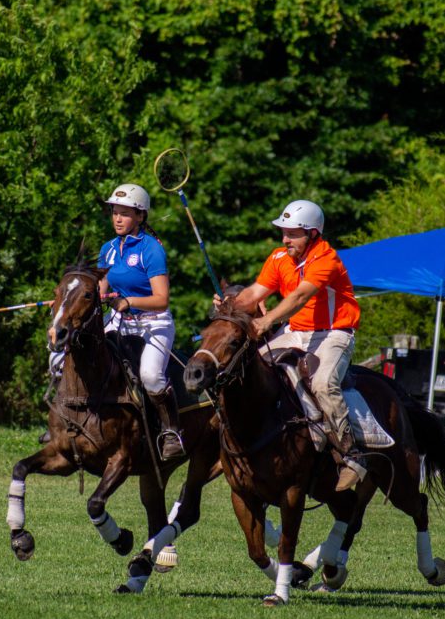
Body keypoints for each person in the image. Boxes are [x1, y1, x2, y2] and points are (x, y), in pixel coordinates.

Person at [217, 199, 366, 492]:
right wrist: (230, 306)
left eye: (292, 233)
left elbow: (299, 297)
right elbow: (255, 293)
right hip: (296, 331)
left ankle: (351, 455)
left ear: (312, 234)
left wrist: (266, 320)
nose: (285, 239)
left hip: (334, 334)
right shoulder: (278, 258)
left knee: (323, 384)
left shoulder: (327, 259)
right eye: (283, 232)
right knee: (248, 367)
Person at [47, 183, 184, 460]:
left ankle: (171, 431)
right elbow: (97, 293)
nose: (118, 219)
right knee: (59, 360)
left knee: (150, 376)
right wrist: (67, 302)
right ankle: (63, 423)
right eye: (114, 213)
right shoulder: (108, 249)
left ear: (140, 216)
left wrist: (128, 301)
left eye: (125, 214)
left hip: (152, 324)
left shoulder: (151, 249)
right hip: (119, 322)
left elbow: (162, 299)